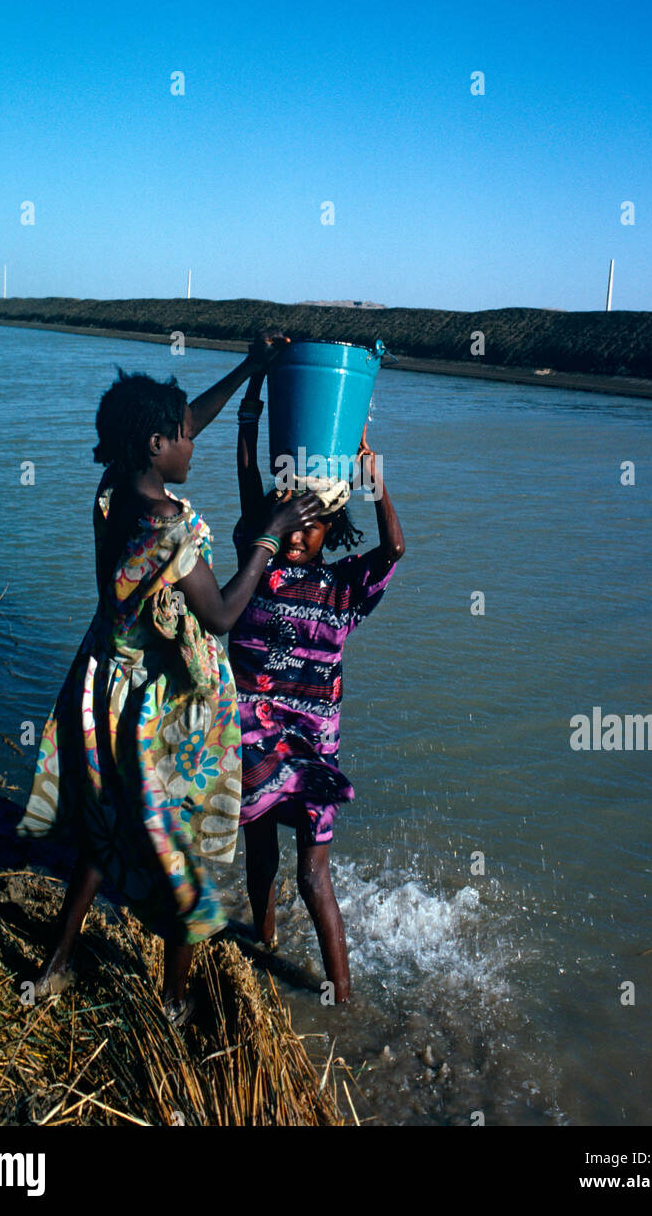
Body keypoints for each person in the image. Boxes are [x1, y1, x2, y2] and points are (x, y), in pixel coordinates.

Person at [17, 339, 322, 1024]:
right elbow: (218, 614)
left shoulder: (115, 490)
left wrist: (248, 370)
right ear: (157, 443)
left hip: (103, 678)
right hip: (158, 704)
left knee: (102, 835)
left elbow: (187, 420)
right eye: (183, 434)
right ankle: (173, 1000)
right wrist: (269, 537)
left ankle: (57, 967)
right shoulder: (170, 527)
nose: (195, 439)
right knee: (176, 851)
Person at [228, 368, 405, 1002]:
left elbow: (395, 549)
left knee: (313, 874)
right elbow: (250, 481)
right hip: (253, 738)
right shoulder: (258, 565)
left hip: (314, 753)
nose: (298, 536)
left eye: (313, 527)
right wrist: (253, 403)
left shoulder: (343, 590)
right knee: (258, 857)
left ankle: (342, 996)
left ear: (333, 532)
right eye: (290, 524)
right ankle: (264, 941)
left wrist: (374, 476)